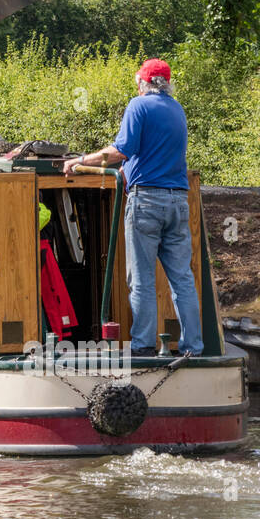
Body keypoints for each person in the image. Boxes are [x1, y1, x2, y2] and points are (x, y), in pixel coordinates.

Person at [61, 58, 203, 358]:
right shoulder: (177, 109)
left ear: (143, 82)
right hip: (178, 201)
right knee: (182, 279)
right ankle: (195, 347)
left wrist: (80, 160)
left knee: (141, 279)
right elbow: (153, 153)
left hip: (147, 202)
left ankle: (142, 346)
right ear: (166, 83)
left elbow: (120, 150)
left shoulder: (138, 106)